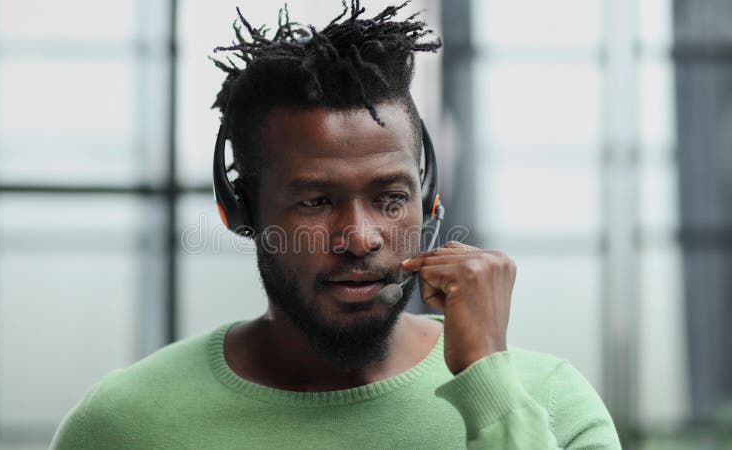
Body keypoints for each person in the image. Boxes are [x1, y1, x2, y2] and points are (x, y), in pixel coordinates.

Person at [51, 1, 621, 448]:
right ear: (239, 210)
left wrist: (488, 382)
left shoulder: (551, 405)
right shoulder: (123, 426)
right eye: (317, 201)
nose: (361, 237)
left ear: (429, 202)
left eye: (392, 197)